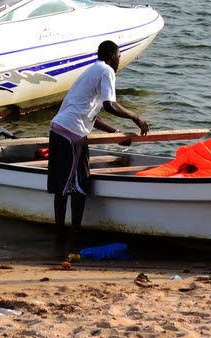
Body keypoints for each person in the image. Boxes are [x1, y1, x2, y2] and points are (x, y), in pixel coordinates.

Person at [48, 40, 150, 254]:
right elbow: (109, 105)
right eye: (119, 56)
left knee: (66, 185)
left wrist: (114, 134)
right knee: (77, 186)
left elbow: (91, 115)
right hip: (71, 132)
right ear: (112, 56)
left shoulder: (92, 70)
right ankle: (71, 237)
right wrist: (135, 116)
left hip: (62, 128)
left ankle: (61, 235)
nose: (119, 60)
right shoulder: (106, 71)